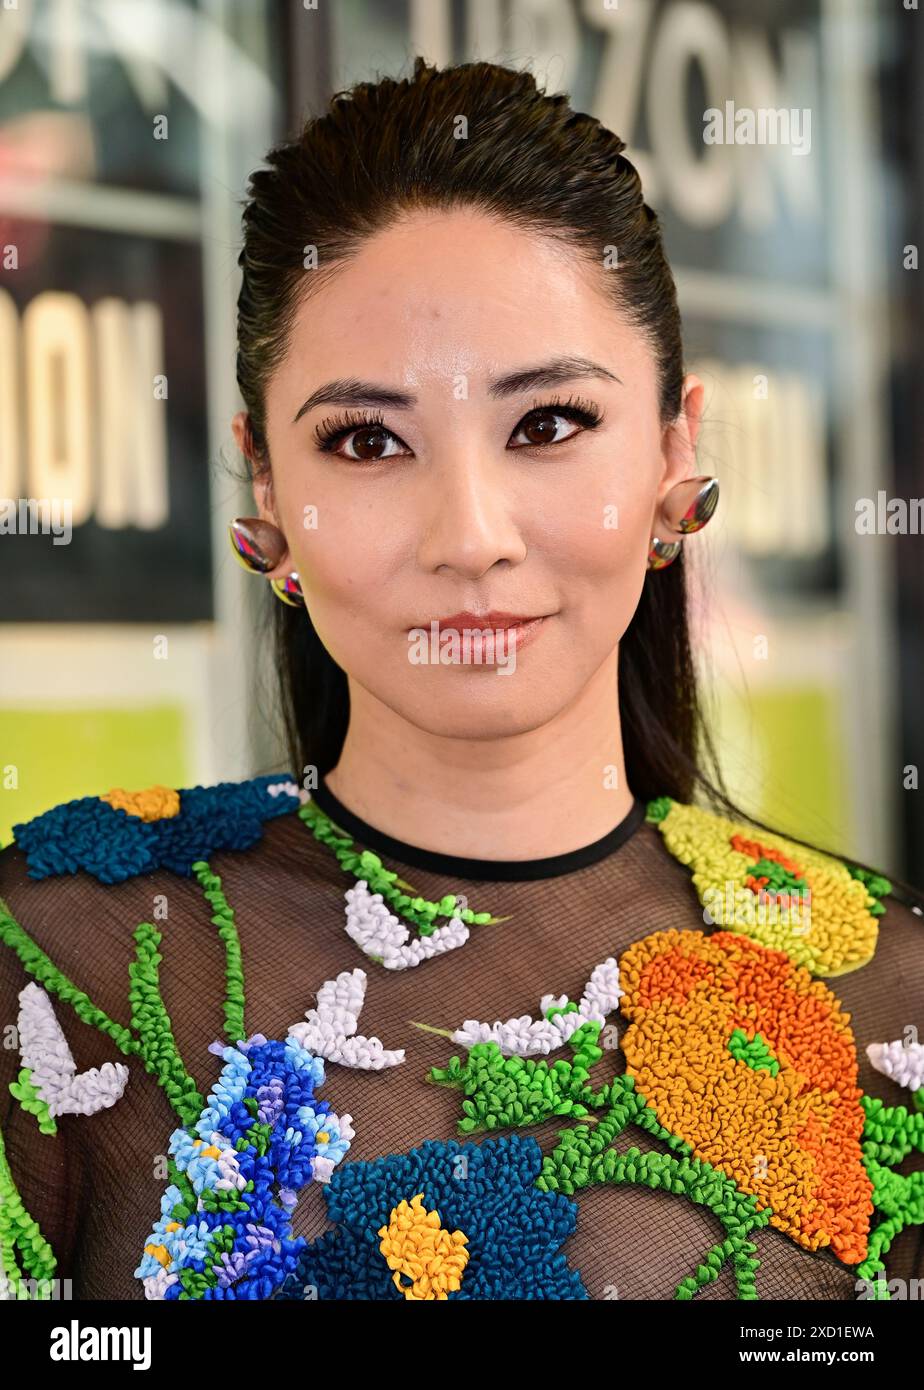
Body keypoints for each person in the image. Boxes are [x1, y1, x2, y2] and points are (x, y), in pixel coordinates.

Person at [1, 56, 922, 1304]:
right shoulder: (58, 962)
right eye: (367, 441)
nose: (469, 534)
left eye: (547, 424)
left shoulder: (890, 1002)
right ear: (265, 489)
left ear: (673, 449)